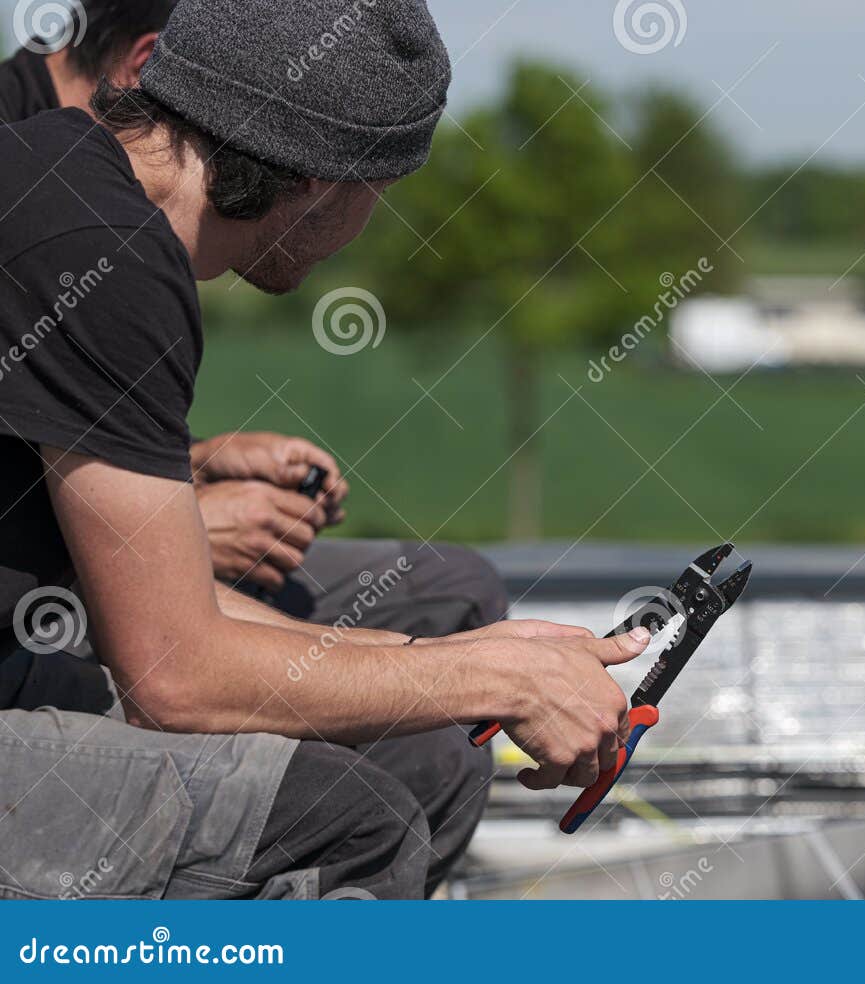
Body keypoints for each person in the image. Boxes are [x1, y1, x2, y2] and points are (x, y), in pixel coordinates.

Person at [0, 0, 648, 900]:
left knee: (425, 755)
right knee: (351, 823)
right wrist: (480, 671)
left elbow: (150, 614)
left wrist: (473, 668)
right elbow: (173, 676)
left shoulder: (63, 176)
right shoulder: (106, 260)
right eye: (377, 194)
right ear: (317, 183)